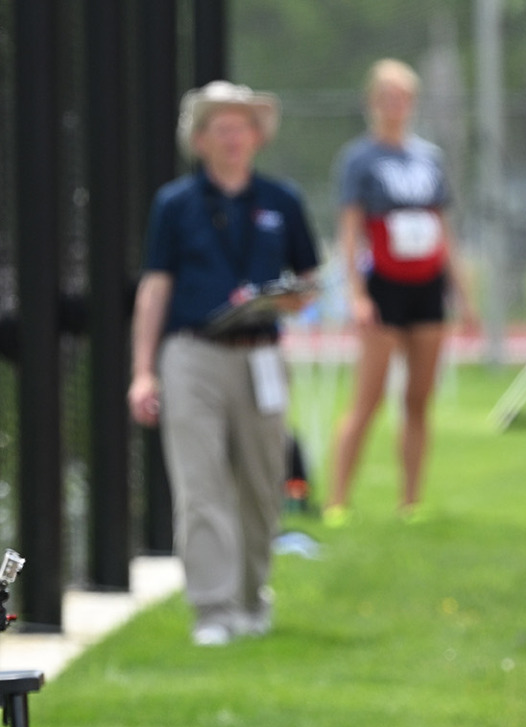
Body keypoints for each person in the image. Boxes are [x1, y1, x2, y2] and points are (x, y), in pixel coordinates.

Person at [128, 81, 319, 647]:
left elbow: (309, 281)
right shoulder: (175, 204)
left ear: (256, 137)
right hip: (193, 354)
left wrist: (289, 299)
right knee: (200, 484)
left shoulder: (282, 201)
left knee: (261, 484)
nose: (234, 138)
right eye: (222, 128)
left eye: (242, 127)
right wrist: (143, 371)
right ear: (201, 140)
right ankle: (212, 609)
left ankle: (251, 598)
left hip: (260, 353)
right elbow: (155, 289)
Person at [324, 59, 470, 526]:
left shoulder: (429, 158)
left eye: (403, 97)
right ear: (372, 101)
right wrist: (356, 293)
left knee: (419, 399)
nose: (395, 105)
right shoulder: (359, 159)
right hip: (383, 286)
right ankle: (337, 501)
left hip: (427, 287)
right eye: (386, 96)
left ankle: (411, 500)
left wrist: (463, 293)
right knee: (368, 398)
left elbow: (444, 228)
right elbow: (350, 231)